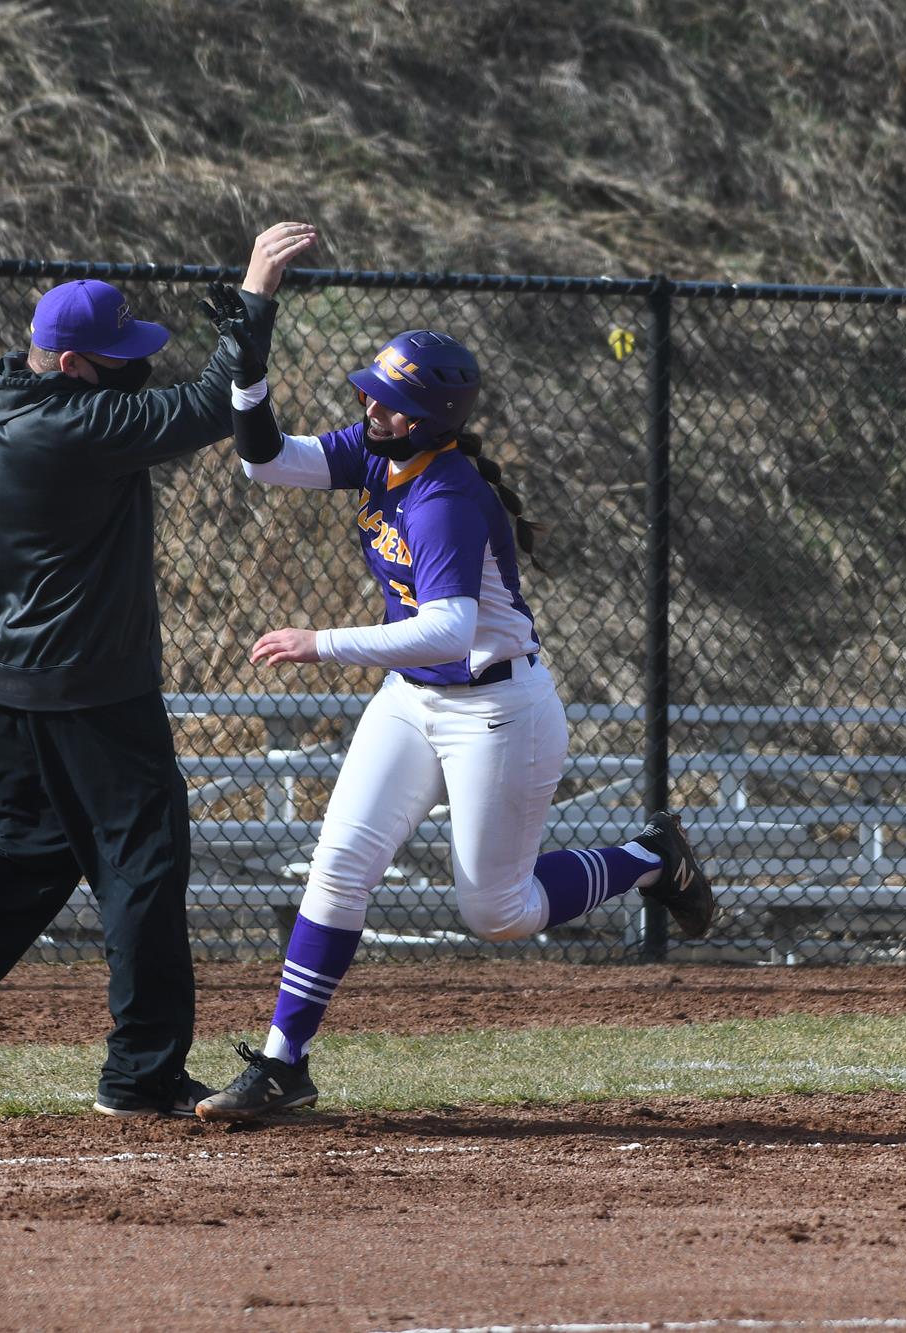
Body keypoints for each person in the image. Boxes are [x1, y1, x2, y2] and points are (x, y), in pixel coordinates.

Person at [0, 221, 317, 1118]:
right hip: (99, 691)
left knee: (19, 852)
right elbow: (215, 402)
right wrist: (255, 291)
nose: (135, 368)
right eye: (119, 357)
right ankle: (141, 1072)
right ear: (73, 366)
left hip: (2, 683)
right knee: (142, 861)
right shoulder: (84, 423)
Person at [191, 318, 717, 1124]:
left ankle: (649, 857)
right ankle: (281, 1064)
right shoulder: (379, 449)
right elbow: (266, 460)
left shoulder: (445, 497)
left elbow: (448, 628)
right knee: (338, 868)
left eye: (395, 401)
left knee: (496, 912)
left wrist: (320, 642)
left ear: (432, 419)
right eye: (376, 392)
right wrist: (249, 373)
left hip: (499, 711)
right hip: (412, 699)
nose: (375, 405)